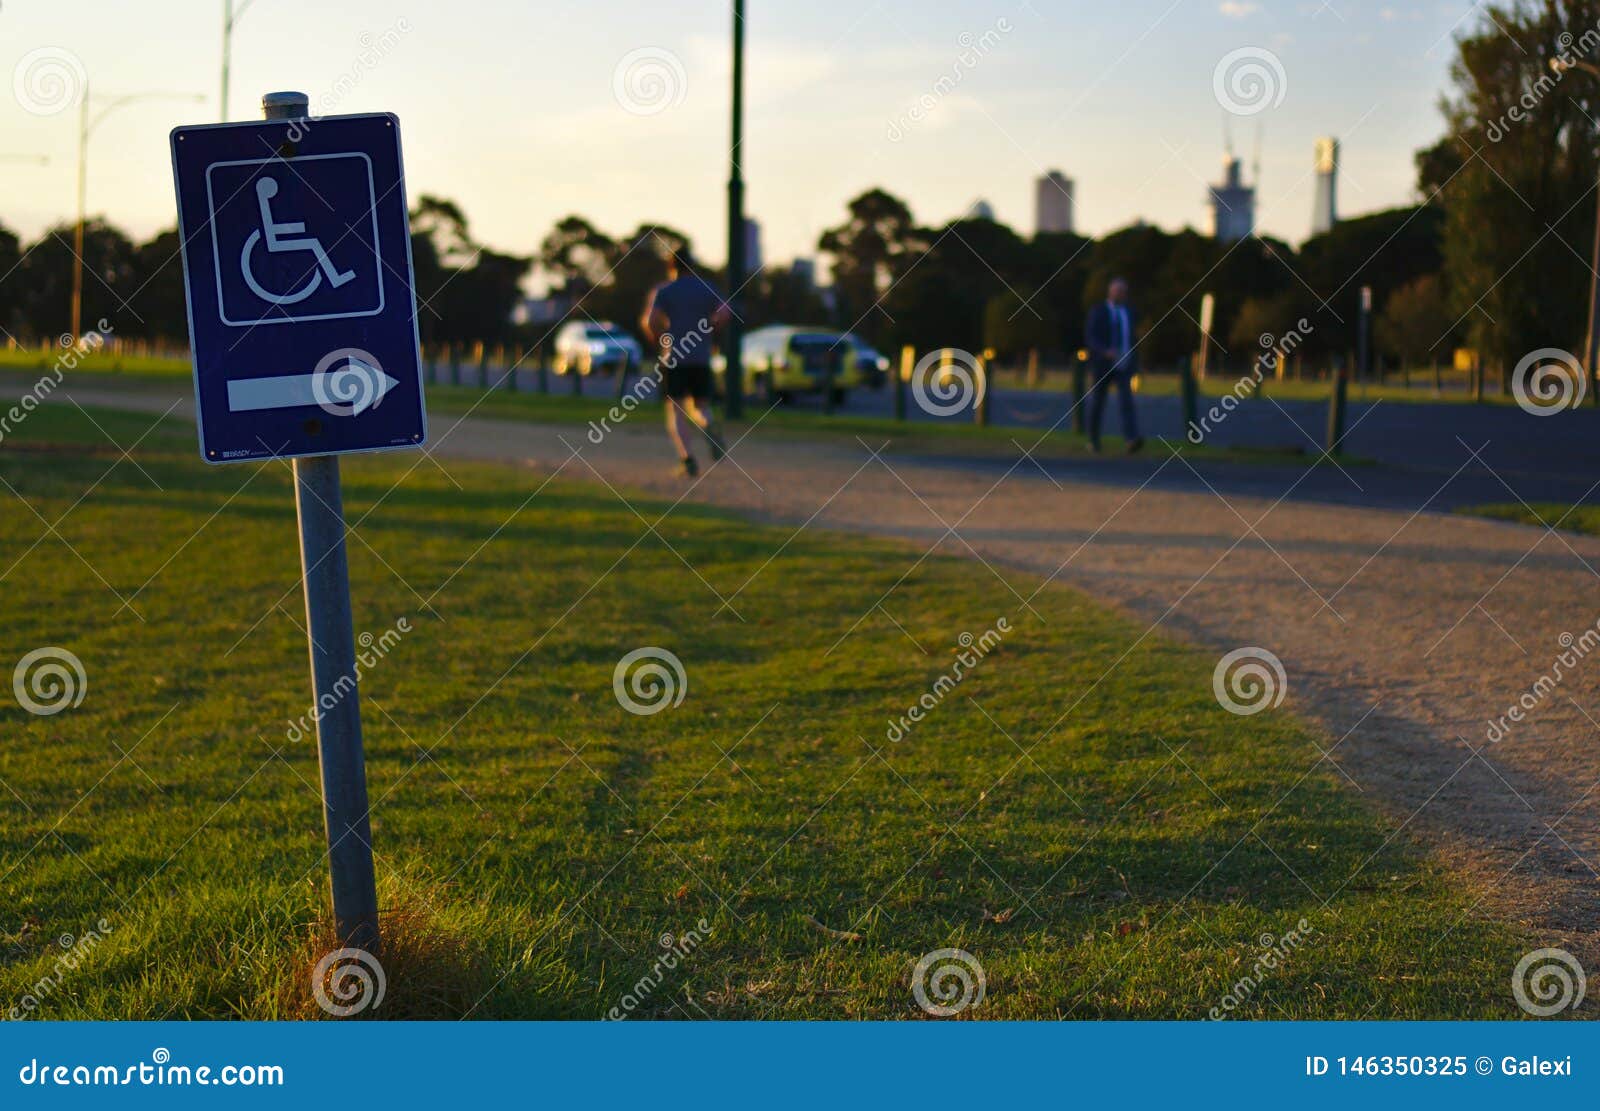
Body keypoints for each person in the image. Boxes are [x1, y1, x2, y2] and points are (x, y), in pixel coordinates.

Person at [640, 249, 731, 477]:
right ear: (692, 266)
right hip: (701, 357)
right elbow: (726, 312)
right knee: (701, 406)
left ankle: (687, 459)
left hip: (674, 358)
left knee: (677, 410)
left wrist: (661, 337)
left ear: (672, 267)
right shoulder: (706, 288)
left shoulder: (664, 290)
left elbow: (650, 321)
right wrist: (711, 329)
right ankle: (709, 427)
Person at [1083, 277, 1145, 454]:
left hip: (1124, 365)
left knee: (1127, 401)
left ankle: (1131, 438)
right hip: (1102, 365)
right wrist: (1104, 351)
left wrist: (1135, 360)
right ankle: (1093, 439)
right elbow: (1091, 337)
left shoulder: (1129, 312)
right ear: (1110, 291)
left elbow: (1133, 338)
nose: (1121, 294)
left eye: (1123, 291)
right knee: (1098, 403)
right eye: (1118, 290)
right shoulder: (1099, 311)